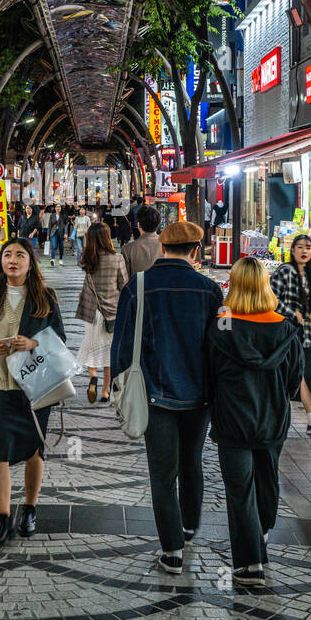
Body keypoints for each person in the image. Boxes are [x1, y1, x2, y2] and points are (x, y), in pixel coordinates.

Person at [110, 220, 223, 575]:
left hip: (153, 395)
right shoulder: (209, 290)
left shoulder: (138, 287)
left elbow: (122, 347)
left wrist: (118, 385)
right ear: (195, 251)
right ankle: (189, 528)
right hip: (199, 397)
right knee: (192, 463)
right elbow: (217, 348)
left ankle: (172, 549)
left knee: (162, 473)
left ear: (162, 249)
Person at [206, 257, 299, 587]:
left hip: (232, 420)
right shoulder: (285, 327)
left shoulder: (224, 323)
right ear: (264, 284)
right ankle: (260, 534)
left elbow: (211, 375)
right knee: (267, 481)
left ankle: (249, 564)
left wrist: (213, 414)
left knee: (240, 489)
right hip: (273, 419)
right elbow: (293, 380)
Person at [0, 238, 64, 545]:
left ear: (31, 262)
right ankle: (2, 518)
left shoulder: (44, 296)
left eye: (20, 255)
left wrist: (33, 343)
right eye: (7, 255)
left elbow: (60, 338)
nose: (12, 259)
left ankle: (29, 508)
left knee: (33, 449)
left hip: (34, 387)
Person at [270, 234, 311, 434]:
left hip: (302, 336)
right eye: (300, 247)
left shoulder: (310, 276)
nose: (304, 251)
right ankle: (281, 421)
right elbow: (270, 298)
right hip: (285, 335)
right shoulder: (285, 271)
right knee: (290, 378)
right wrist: (292, 313)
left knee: (305, 377)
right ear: (292, 250)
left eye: (308, 247)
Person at [75, 222, 128, 404]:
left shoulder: (87, 258)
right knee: (108, 352)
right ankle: (105, 392)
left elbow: (81, 264)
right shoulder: (117, 259)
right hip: (111, 313)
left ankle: (92, 378)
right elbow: (124, 285)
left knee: (91, 346)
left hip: (91, 312)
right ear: (107, 238)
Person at [122, 205, 163, 276]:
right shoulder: (168, 247)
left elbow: (125, 280)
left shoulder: (127, 250)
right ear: (158, 224)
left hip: (138, 286)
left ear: (139, 225)